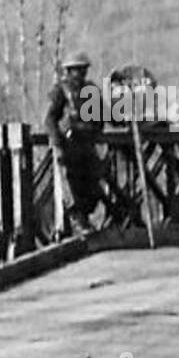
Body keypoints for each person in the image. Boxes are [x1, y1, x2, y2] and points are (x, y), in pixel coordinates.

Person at [44, 50, 102, 234]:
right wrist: (57, 143)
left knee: (94, 183)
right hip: (69, 145)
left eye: (83, 70)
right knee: (71, 184)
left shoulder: (90, 90)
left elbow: (100, 117)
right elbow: (50, 119)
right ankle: (78, 221)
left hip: (87, 144)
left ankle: (86, 217)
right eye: (77, 70)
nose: (81, 74)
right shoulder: (61, 90)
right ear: (68, 71)